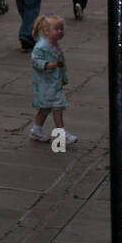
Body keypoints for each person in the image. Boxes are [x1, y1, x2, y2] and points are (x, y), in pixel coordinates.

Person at [29, 13, 77, 145]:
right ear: (46, 31)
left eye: (61, 29)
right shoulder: (41, 47)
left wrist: (64, 78)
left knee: (47, 108)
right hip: (45, 82)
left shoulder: (56, 47)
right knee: (57, 107)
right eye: (57, 29)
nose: (60, 32)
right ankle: (61, 135)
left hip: (53, 83)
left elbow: (62, 65)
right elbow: (35, 59)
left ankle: (36, 130)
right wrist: (45, 64)